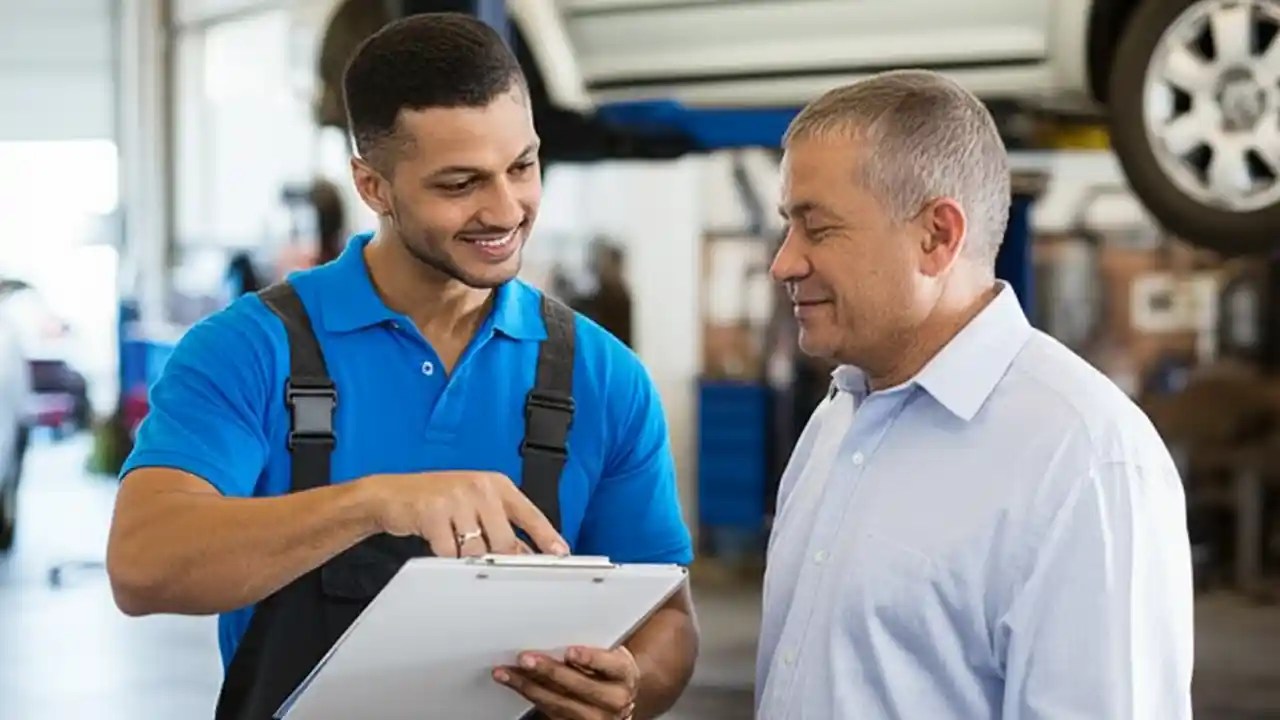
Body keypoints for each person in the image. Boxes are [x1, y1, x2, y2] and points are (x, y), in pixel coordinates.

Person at [106, 14, 698, 720]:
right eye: (460, 184)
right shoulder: (249, 351)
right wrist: (374, 503)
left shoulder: (601, 376)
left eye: (522, 166)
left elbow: (670, 623)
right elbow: (143, 564)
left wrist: (629, 682)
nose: (506, 209)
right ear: (373, 186)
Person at [756, 69, 1193, 719]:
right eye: (788, 226)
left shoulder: (1083, 459)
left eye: (817, 230)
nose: (784, 262)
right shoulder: (837, 421)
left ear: (936, 236)